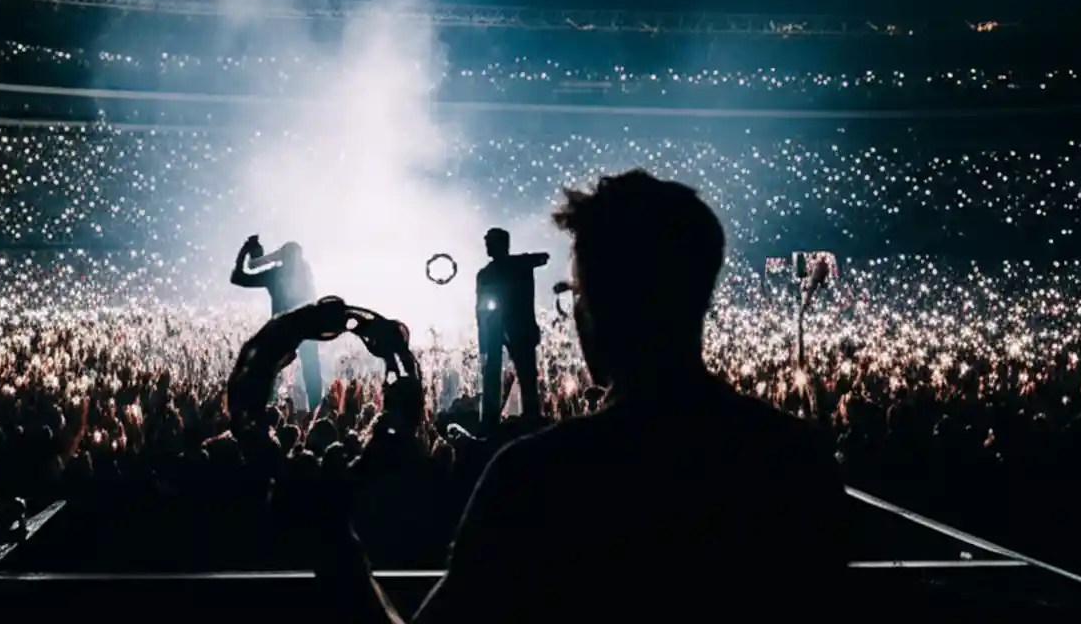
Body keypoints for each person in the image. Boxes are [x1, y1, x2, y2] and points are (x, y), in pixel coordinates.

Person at [316, 170, 850, 622]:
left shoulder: (537, 476)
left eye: (575, 292)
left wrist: (334, 541)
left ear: (592, 310)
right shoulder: (798, 459)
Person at [231, 236, 323, 410]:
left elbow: (239, 277)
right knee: (310, 373)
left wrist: (245, 252)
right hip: (306, 328)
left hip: (282, 330)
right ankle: (316, 413)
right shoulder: (304, 272)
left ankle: (266, 411)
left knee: (271, 371)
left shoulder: (276, 274)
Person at [475, 228, 549, 430]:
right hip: (505, 329)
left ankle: (525, 414)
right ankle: (506, 416)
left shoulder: (491, 273)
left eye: (490, 242)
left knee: (522, 373)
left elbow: (543, 258)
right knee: (515, 373)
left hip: (510, 328)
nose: (487, 246)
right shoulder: (491, 273)